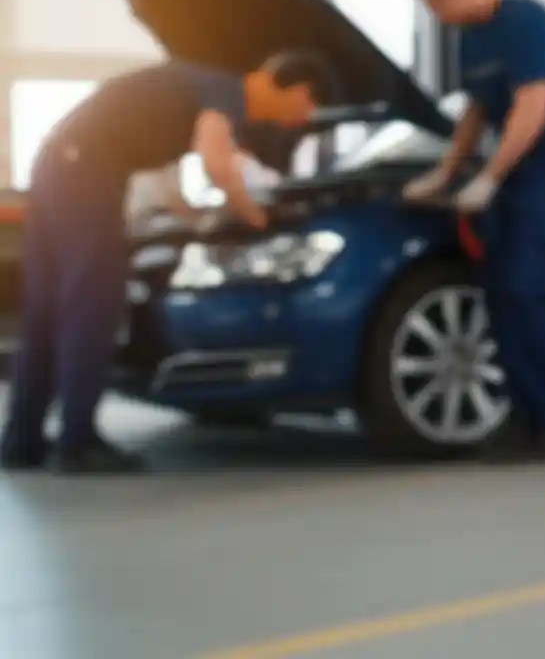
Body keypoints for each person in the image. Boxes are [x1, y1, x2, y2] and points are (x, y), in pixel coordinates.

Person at [0, 53, 337, 474]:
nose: (302, 119)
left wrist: (199, 216)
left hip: (61, 163)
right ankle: (77, 441)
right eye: (307, 106)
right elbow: (216, 162)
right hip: (85, 168)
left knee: (47, 310)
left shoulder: (203, 88)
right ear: (294, 88)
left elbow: (184, 166)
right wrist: (255, 216)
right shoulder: (227, 90)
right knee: (93, 304)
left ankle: (22, 441)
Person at [402, 0, 545, 452]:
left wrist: (488, 177)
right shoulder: (470, 39)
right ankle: (528, 416)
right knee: (497, 288)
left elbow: (532, 109)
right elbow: (476, 112)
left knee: (523, 284)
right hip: (516, 167)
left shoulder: (527, 21)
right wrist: (444, 172)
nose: (435, 15)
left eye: (434, 5)